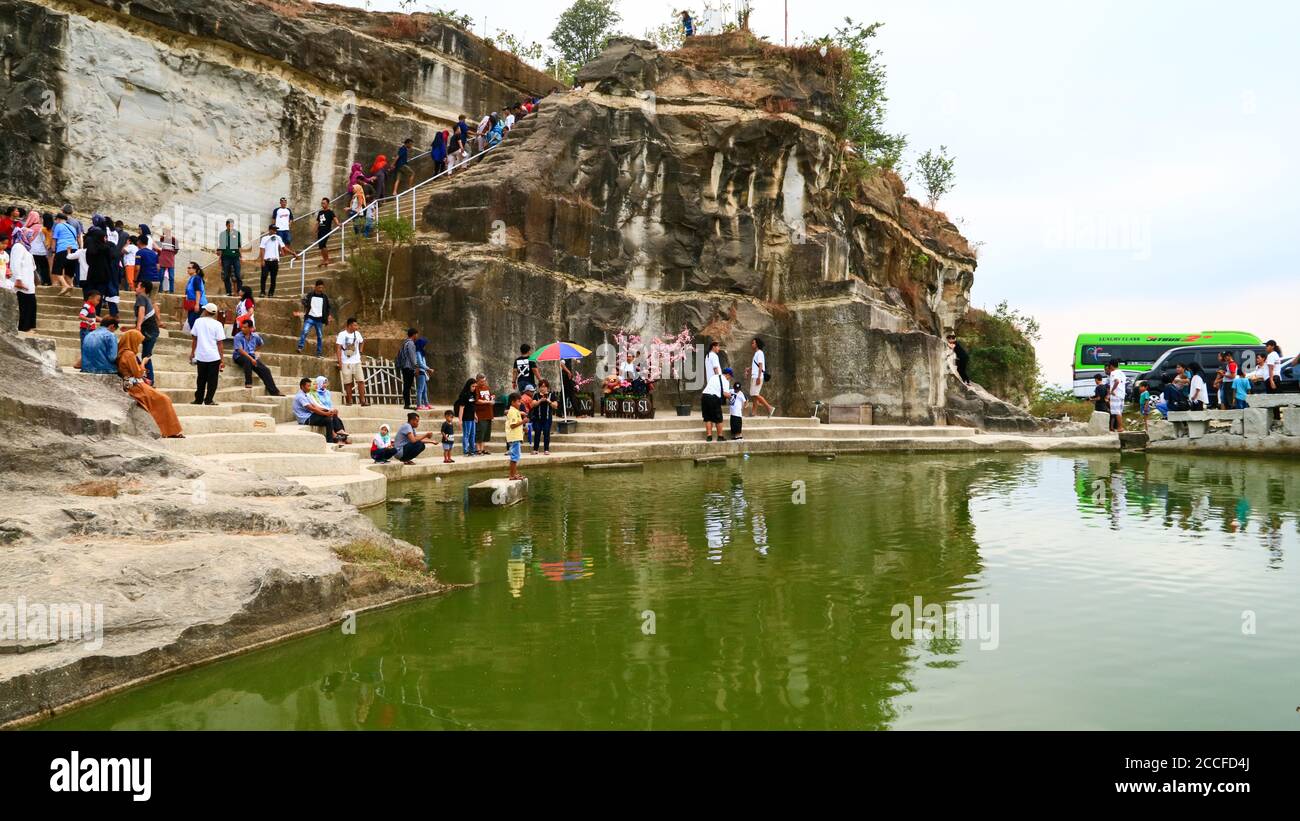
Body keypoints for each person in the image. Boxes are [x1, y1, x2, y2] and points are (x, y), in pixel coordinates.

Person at [116, 329, 183, 438]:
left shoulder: (124, 352)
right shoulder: (129, 354)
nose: (138, 344)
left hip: (134, 384)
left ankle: (169, 430)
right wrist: (143, 363)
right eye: (138, 341)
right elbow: (137, 373)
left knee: (162, 399)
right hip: (135, 386)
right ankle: (169, 431)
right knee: (164, 399)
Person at [292, 377, 350, 444]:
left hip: (310, 415)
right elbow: (312, 408)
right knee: (328, 419)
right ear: (302, 386)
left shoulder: (305, 395)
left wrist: (328, 411)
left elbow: (315, 406)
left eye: (310, 386)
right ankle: (333, 439)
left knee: (332, 415)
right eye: (308, 386)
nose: (310, 388)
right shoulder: (300, 396)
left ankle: (340, 435)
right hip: (305, 419)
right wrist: (325, 413)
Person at [189, 303, 225, 405]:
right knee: (212, 380)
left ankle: (198, 399)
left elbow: (194, 339)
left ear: (205, 311)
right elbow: (220, 343)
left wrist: (192, 353)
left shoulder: (198, 321)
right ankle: (209, 399)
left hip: (201, 355)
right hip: (214, 356)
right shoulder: (218, 324)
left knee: (201, 378)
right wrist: (222, 359)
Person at [232, 320, 282, 394]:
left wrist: (253, 351)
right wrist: (252, 358)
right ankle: (248, 382)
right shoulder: (238, 336)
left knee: (265, 370)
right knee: (247, 360)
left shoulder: (255, 336)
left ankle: (274, 391)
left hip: (251, 356)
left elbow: (261, 344)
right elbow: (240, 350)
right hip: (239, 356)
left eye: (245, 327)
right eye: (242, 327)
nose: (242, 329)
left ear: (250, 328)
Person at [294, 279, 331, 356]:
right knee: (304, 331)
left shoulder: (324, 297)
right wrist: (306, 304)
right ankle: (300, 347)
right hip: (310, 317)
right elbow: (303, 300)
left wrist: (328, 317)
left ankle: (319, 352)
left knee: (320, 336)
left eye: (322, 287)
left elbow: (328, 307)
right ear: (316, 287)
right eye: (319, 287)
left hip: (319, 319)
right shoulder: (310, 295)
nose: (321, 289)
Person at [133, 280, 161, 384]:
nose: (135, 288)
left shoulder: (141, 297)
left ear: (143, 288)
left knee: (141, 354)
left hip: (148, 331)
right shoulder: (146, 298)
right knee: (145, 355)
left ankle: (149, 379)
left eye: (137, 286)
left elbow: (142, 311)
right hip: (150, 330)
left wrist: (138, 325)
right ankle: (147, 377)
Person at [337, 316, 367, 405]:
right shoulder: (342, 334)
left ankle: (363, 401)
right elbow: (338, 348)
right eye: (355, 325)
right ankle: (349, 401)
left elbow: (362, 341)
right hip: (346, 362)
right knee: (348, 382)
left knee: (361, 381)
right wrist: (340, 362)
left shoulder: (357, 334)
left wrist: (360, 352)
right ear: (350, 326)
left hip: (356, 361)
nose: (356, 327)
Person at [701, 339, 726, 442]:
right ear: (713, 347)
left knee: (707, 416)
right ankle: (720, 436)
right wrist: (720, 381)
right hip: (715, 385)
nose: (719, 348)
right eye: (718, 346)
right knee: (717, 415)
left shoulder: (707, 356)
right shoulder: (714, 356)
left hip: (709, 385)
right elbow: (716, 369)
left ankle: (709, 436)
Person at [258, 223, 292, 297]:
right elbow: (262, 249)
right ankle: (262, 292)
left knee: (273, 278)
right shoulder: (264, 238)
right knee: (264, 276)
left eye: (276, 230)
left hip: (274, 260)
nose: (275, 231)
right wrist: (262, 260)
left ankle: (271, 293)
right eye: (273, 230)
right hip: (266, 260)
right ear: (270, 230)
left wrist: (293, 253)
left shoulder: (278, 238)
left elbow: (283, 247)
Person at [746, 336, 775, 417]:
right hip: (755, 376)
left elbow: (761, 365)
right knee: (754, 395)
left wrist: (759, 377)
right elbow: (756, 365)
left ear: (757, 344)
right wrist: (749, 368)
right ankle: (753, 412)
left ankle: (769, 408)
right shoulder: (757, 353)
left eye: (753, 343)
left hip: (757, 377)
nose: (752, 344)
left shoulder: (760, 353)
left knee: (755, 394)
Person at [51, 211, 78, 295]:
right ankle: (70, 289)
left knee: (56, 269)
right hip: (74, 249)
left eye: (56, 220)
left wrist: (53, 250)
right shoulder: (72, 227)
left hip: (63, 248)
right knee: (69, 272)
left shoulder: (58, 226)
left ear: (58, 219)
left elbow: (54, 239)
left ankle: (65, 285)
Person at [216, 219, 242, 295]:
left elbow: (239, 245)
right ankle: (228, 292)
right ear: (226, 225)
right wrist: (220, 258)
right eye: (230, 225)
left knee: (238, 275)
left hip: (235, 257)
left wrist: (241, 256)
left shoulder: (237, 233)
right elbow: (222, 247)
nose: (231, 227)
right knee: (226, 275)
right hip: (226, 257)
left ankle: (239, 291)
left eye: (232, 225)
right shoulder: (223, 234)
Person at [396, 328, 420, 409]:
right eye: (417, 334)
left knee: (407, 386)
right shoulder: (410, 343)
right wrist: (416, 366)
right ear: (414, 334)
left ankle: (407, 404)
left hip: (404, 367)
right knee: (407, 386)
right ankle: (407, 404)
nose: (417, 336)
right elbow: (412, 356)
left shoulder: (405, 342)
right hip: (408, 367)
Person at [454, 378, 478, 456]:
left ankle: (472, 450)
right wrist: (460, 420)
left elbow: (473, 406)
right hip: (466, 418)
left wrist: (475, 415)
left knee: (473, 434)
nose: (474, 388)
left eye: (475, 386)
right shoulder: (464, 394)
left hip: (472, 417)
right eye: (473, 386)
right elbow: (461, 407)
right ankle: (466, 451)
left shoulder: (473, 394)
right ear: (469, 386)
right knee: (466, 434)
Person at [505, 392, 525, 480]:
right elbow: (513, 425)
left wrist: (523, 428)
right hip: (514, 437)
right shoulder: (512, 411)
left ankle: (515, 474)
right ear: (513, 402)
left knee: (516, 456)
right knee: (514, 456)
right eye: (518, 401)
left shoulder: (515, 411)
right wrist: (523, 422)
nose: (520, 403)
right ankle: (512, 475)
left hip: (516, 436)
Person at [473, 372, 495, 454]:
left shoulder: (487, 387)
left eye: (484, 381)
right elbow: (477, 400)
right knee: (480, 431)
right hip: (480, 413)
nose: (483, 383)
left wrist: (492, 397)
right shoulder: (476, 388)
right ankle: (478, 449)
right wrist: (487, 402)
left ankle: (482, 449)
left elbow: (491, 395)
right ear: (477, 381)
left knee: (486, 432)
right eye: (481, 381)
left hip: (488, 413)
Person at [182, 261, 206, 330]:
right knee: (191, 321)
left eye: (190, 268)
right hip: (192, 303)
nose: (188, 269)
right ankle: (195, 339)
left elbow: (198, 292)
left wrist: (197, 305)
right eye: (187, 268)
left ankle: (197, 338)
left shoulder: (196, 278)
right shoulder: (192, 278)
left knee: (193, 321)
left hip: (198, 303)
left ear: (195, 269)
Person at [156, 228, 178, 295]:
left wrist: (170, 254)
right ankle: (160, 290)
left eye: (168, 232)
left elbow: (176, 250)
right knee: (160, 277)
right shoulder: (161, 239)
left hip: (170, 261)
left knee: (171, 277)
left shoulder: (174, 240)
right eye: (165, 232)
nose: (166, 233)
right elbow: (158, 250)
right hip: (162, 260)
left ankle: (171, 291)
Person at [315, 199, 336, 266]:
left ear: (327, 204)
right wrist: (315, 229)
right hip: (320, 230)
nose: (322, 204)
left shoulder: (330, 212)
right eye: (322, 203)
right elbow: (318, 222)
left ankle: (327, 260)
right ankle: (324, 260)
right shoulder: (320, 212)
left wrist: (338, 224)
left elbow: (335, 218)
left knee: (323, 244)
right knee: (321, 246)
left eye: (324, 203)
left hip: (326, 230)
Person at [414, 337, 432, 410]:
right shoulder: (418, 353)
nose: (425, 346)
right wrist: (428, 369)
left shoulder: (421, 352)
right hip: (421, 372)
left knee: (425, 389)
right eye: (424, 344)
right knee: (420, 390)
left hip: (423, 372)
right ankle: (419, 405)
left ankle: (426, 404)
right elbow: (420, 364)